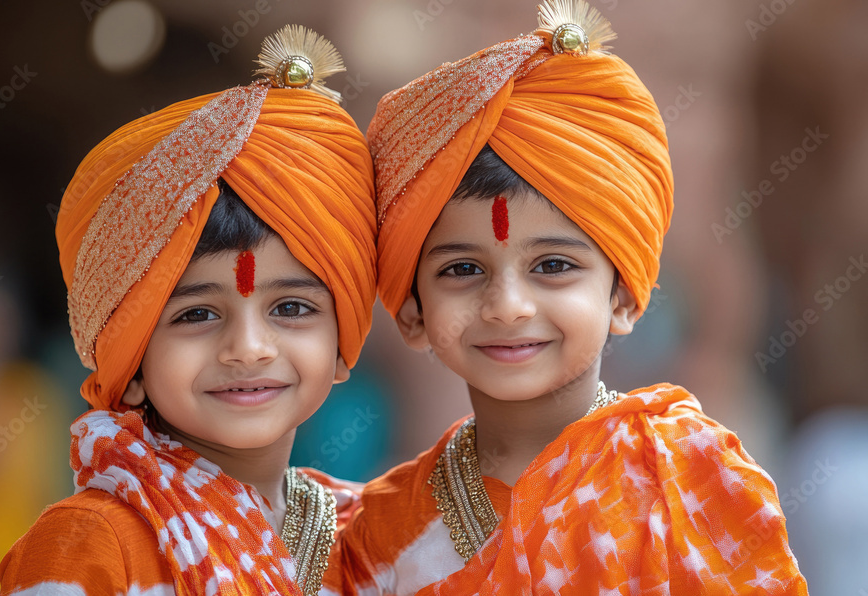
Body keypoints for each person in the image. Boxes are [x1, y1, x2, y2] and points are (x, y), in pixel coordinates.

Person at [324, 0, 808, 593]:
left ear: (625, 299)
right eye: (462, 270)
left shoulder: (691, 479)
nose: (508, 304)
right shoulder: (377, 529)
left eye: (552, 266)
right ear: (411, 312)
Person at [0, 25, 376, 596]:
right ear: (131, 368)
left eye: (292, 307)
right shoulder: (92, 544)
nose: (250, 346)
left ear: (343, 343)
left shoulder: (376, 535)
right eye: (196, 315)